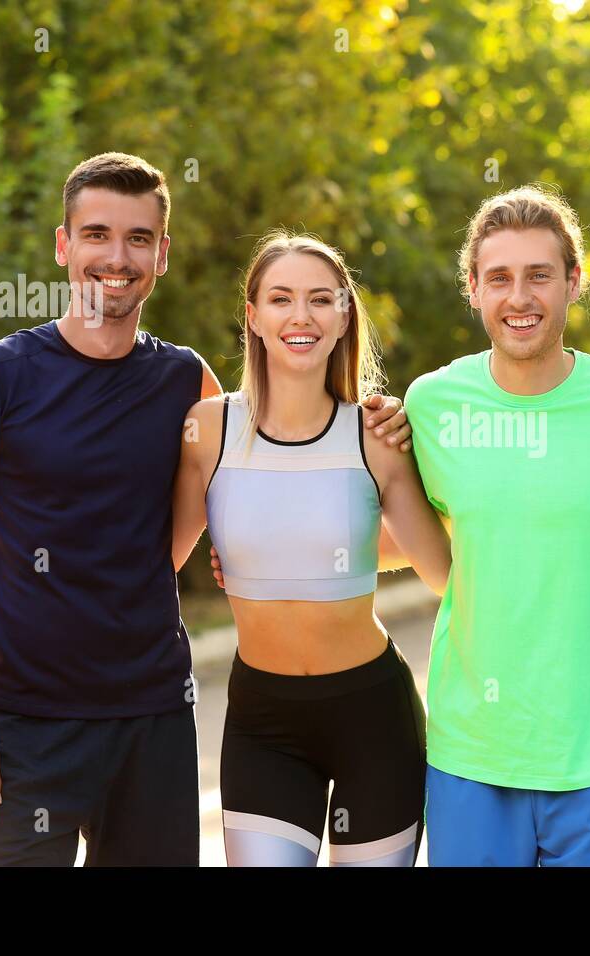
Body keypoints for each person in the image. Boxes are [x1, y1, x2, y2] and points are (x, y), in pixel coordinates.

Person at [0, 152, 409, 867]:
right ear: (63, 246)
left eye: (138, 238)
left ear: (162, 254)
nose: (117, 257)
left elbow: (296, 496)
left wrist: (373, 422)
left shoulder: (188, 386)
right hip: (22, 730)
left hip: (154, 727)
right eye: (97, 235)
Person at [402, 185, 590, 866]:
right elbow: (405, 541)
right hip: (474, 751)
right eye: (499, 278)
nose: (520, 297)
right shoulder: (433, 405)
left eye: (540, 275)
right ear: (472, 288)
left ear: (573, 283)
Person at [173, 231, 451, 866]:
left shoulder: (377, 435)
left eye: (320, 299)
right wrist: (30, 587)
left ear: (344, 314)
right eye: (281, 299)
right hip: (263, 722)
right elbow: (148, 560)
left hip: (372, 717)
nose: (301, 316)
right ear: (253, 314)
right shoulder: (208, 429)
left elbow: (443, 570)